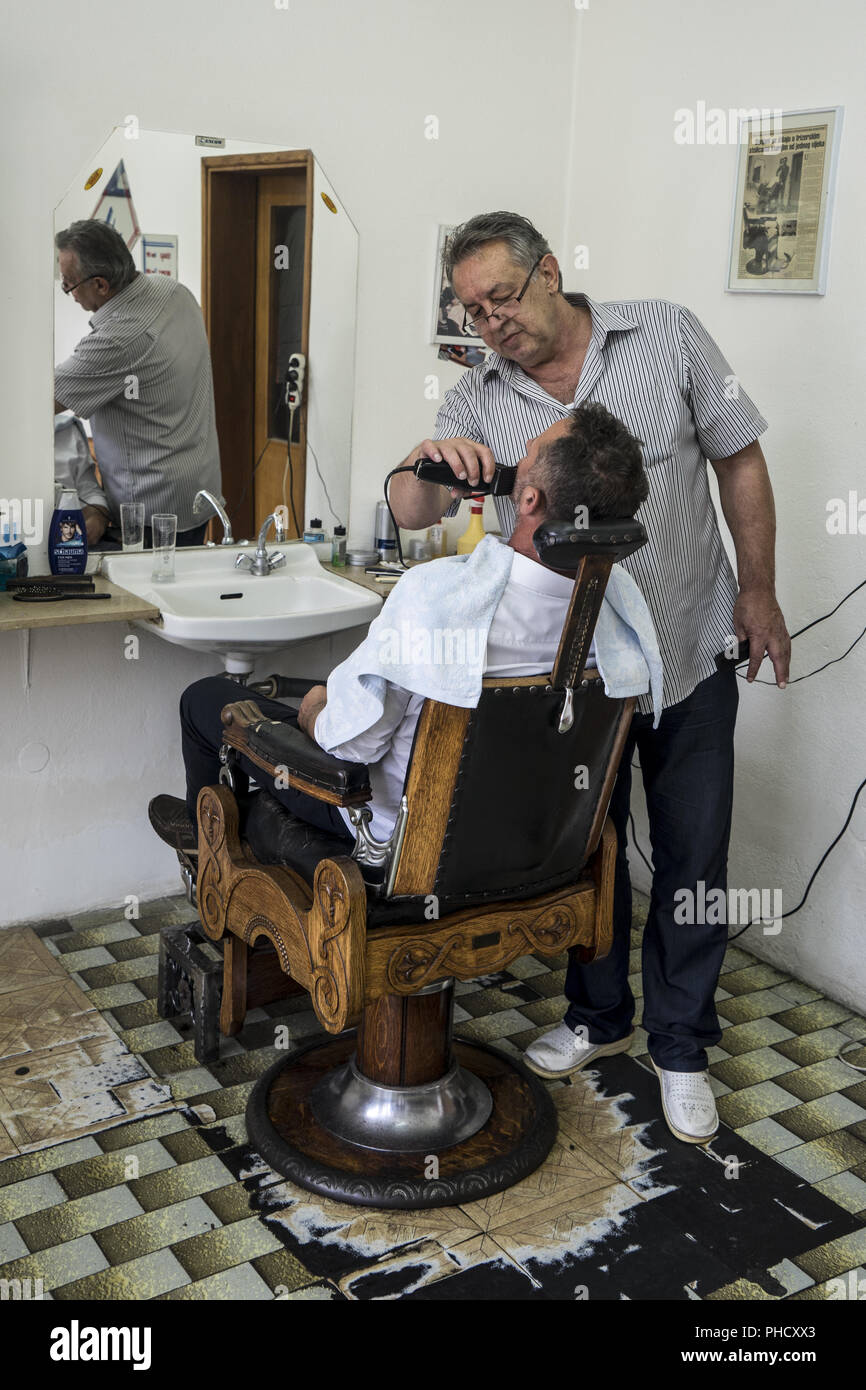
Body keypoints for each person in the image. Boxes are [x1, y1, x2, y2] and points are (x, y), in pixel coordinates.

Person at [388, 210, 791, 1146]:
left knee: (695, 857)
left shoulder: (669, 332)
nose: (492, 325)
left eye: (502, 299)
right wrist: (429, 463)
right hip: (572, 677)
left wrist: (760, 592)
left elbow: (741, 459)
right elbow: (410, 508)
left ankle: (683, 1045)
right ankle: (600, 1015)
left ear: (551, 273)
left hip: (689, 647)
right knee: (584, 850)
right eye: (472, 312)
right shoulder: (481, 395)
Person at [149, 400, 660, 889]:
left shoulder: (435, 595)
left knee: (208, 697)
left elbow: (349, 746)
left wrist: (316, 710)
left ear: (527, 501)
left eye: (527, 452)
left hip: (402, 843)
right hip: (534, 842)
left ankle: (211, 852)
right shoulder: (621, 615)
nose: (517, 456)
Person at [53, 219, 223, 548]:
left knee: (152, 593)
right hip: (198, 491)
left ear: (100, 285)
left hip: (152, 510)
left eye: (69, 285)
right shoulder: (174, 292)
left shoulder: (120, 339)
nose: (69, 293)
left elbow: (42, 400)